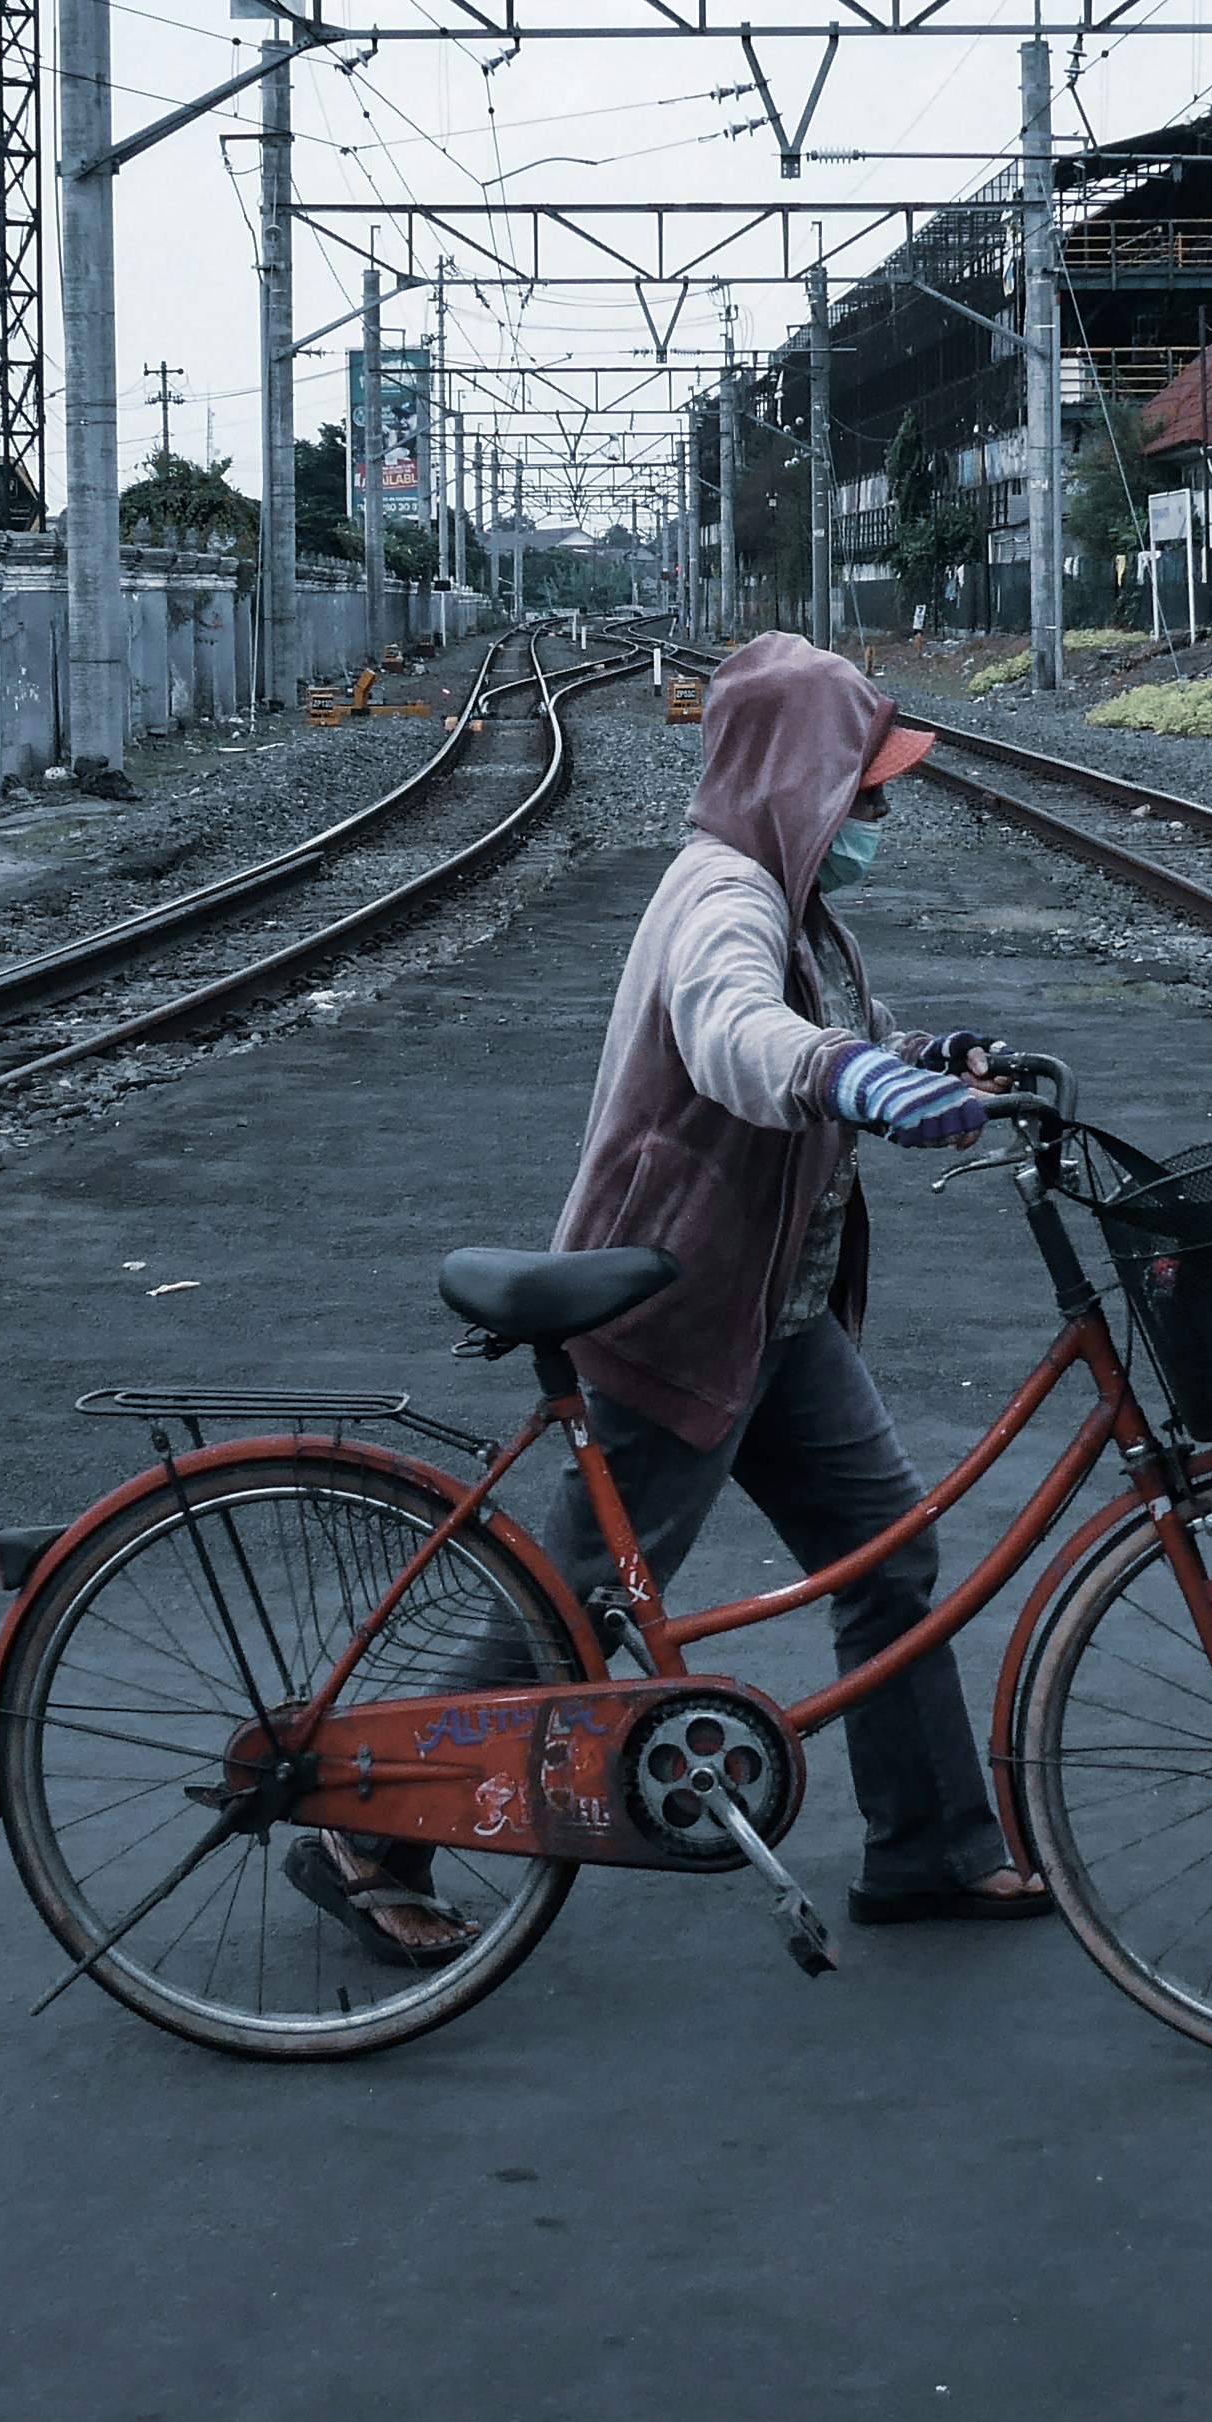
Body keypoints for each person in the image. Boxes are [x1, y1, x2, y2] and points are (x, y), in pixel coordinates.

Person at [298, 630, 1051, 1964]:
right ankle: (369, 1825)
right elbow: (737, 1032)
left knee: (890, 1556)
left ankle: (933, 1848)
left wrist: (922, 1056)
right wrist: (854, 1080)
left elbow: (822, 1026)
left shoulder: (790, 894)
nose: (877, 817)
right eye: (863, 791)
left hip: (774, 1315)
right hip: (680, 1308)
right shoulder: (724, 895)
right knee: (575, 1610)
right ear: (800, 782)